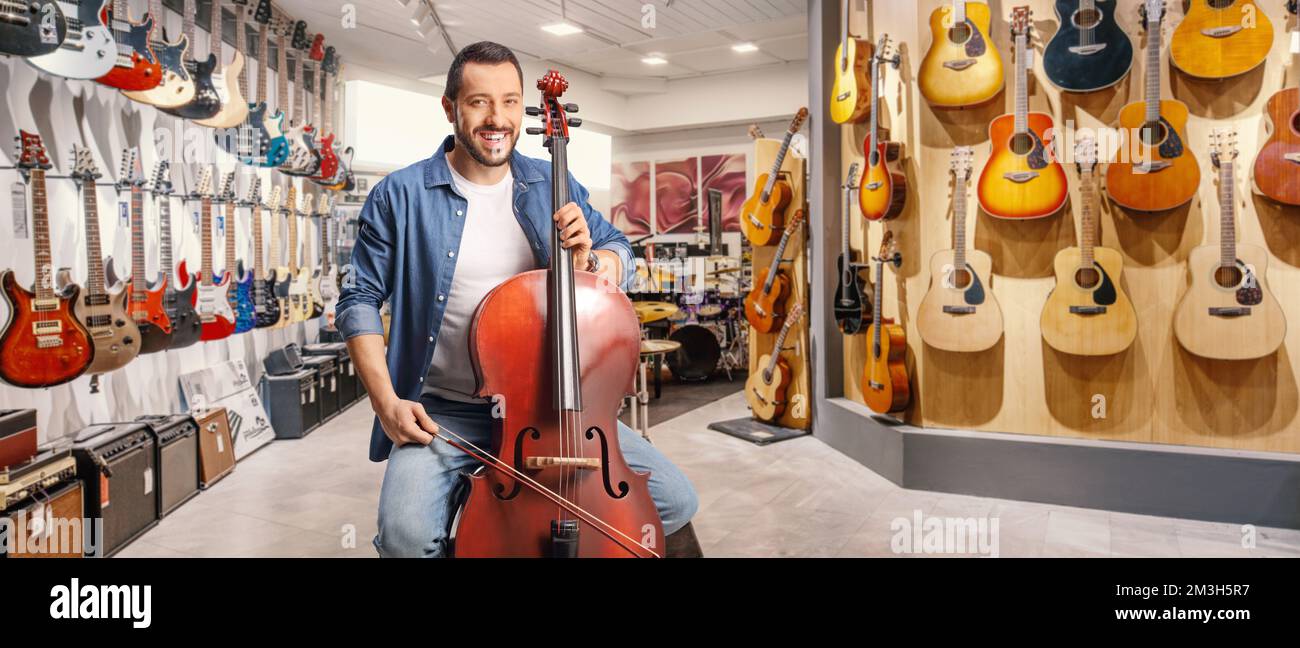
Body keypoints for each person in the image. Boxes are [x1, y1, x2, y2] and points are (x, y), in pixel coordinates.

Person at [336, 41, 699, 557]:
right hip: (445, 413)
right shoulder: (400, 195)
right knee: (406, 538)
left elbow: (618, 249)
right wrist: (385, 401)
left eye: (509, 101)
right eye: (479, 101)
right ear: (450, 108)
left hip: (554, 411)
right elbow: (359, 299)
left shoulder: (551, 181)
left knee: (674, 500)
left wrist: (593, 260)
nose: (496, 117)